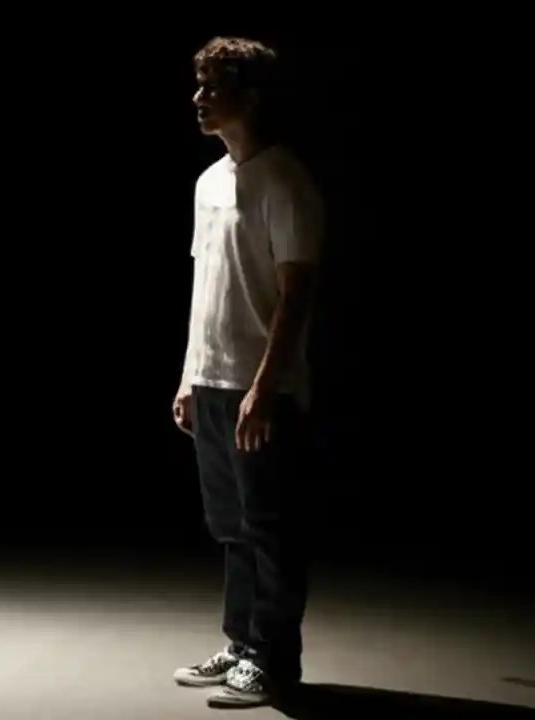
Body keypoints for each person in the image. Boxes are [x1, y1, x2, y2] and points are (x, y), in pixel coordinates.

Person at [169, 36, 322, 710]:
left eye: (212, 87)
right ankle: (240, 643)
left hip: (262, 388)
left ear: (249, 95)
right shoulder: (208, 181)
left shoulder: (285, 180)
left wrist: (265, 385)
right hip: (210, 382)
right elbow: (208, 287)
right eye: (198, 86)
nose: (199, 98)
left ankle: (273, 659)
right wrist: (187, 376)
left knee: (270, 526)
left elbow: (296, 295)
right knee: (230, 525)